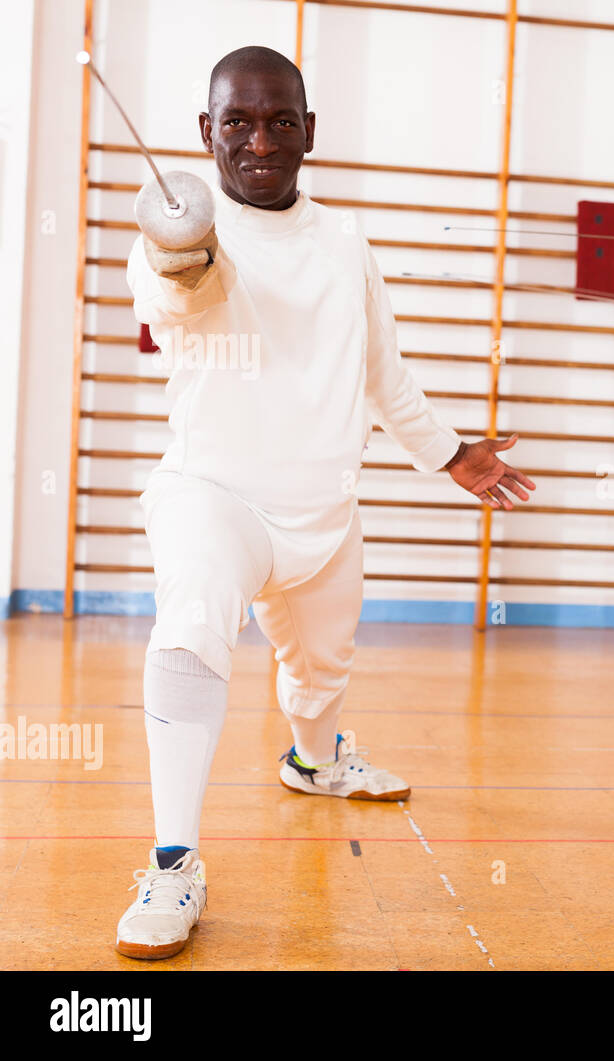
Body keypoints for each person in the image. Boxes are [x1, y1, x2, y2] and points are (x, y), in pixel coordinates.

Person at [116, 46, 536, 959]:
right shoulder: (183, 237)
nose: (258, 141)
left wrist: (451, 455)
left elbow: (384, 372)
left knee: (322, 676)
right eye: (238, 122)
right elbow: (174, 300)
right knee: (190, 626)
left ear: (310, 132)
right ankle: (173, 862)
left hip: (324, 512)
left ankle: (313, 762)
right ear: (206, 133)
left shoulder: (346, 243)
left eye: (278, 122)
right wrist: (178, 248)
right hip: (213, 499)